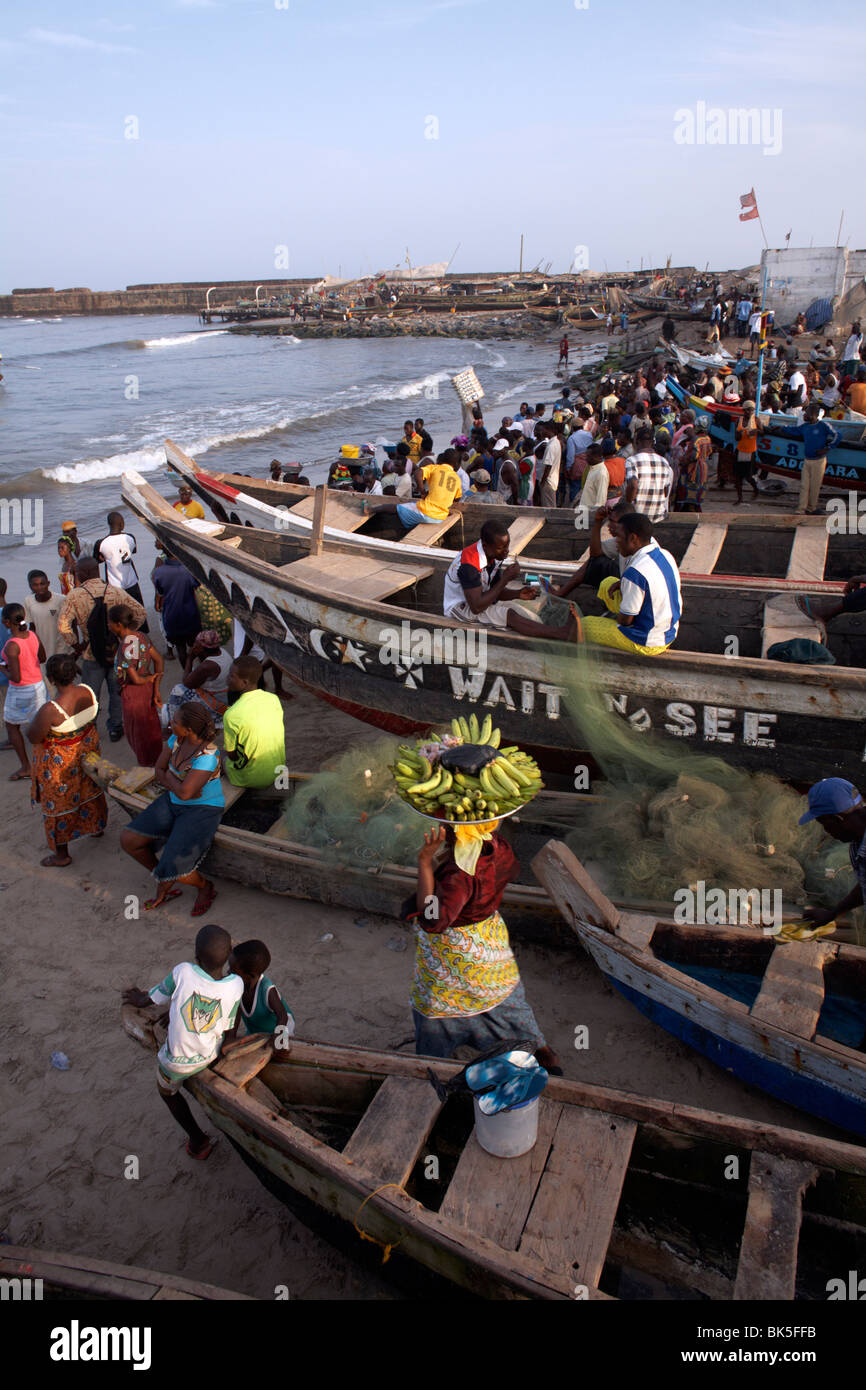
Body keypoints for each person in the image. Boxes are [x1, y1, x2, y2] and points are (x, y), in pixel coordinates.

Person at [409, 823, 560, 1071]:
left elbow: (432, 918)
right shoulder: (498, 846)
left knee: (438, 1012)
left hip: (455, 955)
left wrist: (425, 862)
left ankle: (432, 1069)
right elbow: (511, 872)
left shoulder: (459, 874)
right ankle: (542, 1055)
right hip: (489, 947)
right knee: (506, 1004)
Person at [121, 925, 243, 1159]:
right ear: (229, 954)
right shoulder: (235, 984)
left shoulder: (183, 971)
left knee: (167, 1093)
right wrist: (228, 1041)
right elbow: (230, 1019)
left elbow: (153, 998)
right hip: (211, 1054)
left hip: (176, 1064)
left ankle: (198, 1141)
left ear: (196, 956)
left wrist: (139, 998)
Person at [119, 701, 222, 915]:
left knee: (178, 869)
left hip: (202, 809)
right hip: (174, 801)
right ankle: (163, 876)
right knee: (129, 840)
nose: (170, 723)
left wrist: (173, 781)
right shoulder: (176, 739)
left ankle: (205, 887)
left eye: (175, 721)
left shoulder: (208, 756)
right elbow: (159, 770)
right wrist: (177, 784)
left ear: (189, 729)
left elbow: (182, 790)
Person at [25, 652, 108, 867]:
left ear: (51, 679)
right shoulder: (87, 692)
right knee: (90, 789)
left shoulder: (50, 710)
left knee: (59, 804)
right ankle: (96, 827)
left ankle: (62, 855)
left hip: (61, 766)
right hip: (88, 755)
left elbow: (34, 736)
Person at [58, 555, 146, 744]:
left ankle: (91, 730)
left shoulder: (74, 595)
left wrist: (76, 644)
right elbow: (140, 612)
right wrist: (127, 635)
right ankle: (115, 728)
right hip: (116, 651)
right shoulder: (114, 591)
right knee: (116, 692)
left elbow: (63, 625)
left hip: (91, 653)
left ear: (80, 573)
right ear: (97, 571)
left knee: (90, 695)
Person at [443, 520, 576, 640]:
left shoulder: (494, 555)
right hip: (460, 608)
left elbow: (496, 592)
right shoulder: (469, 565)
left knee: (528, 616)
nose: (506, 552)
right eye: (501, 548)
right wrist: (505, 579)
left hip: (481, 600)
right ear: (485, 545)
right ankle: (562, 634)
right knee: (510, 616)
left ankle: (554, 634)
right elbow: (476, 607)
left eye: (507, 546)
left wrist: (518, 594)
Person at [578, 512, 682, 655]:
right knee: (608, 583)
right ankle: (626, 610)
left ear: (633, 538)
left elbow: (625, 622)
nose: (616, 541)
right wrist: (623, 584)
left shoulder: (634, 573)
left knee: (584, 625)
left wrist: (621, 617)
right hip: (669, 630)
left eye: (619, 537)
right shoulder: (664, 554)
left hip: (648, 641)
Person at [797, 780, 866, 933]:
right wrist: (833, 914)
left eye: (824, 824)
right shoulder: (858, 841)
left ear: (839, 818)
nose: (827, 831)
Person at [109, 604, 164, 765]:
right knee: (152, 731)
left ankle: (149, 770)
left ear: (119, 624)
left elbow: (136, 679)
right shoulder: (141, 637)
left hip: (133, 695)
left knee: (138, 736)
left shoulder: (124, 647)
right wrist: (155, 686)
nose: (108, 625)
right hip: (147, 691)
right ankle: (158, 766)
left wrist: (148, 679)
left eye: (110, 622)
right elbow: (159, 660)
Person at [221, 657, 286, 788]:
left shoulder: (232, 714)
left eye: (231, 676)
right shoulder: (273, 699)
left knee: (218, 754)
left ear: (244, 682)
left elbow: (232, 755)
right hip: (278, 770)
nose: (227, 678)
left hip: (250, 778)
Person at [1, 604, 47, 780]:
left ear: (6, 622)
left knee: (12, 725)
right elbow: (42, 658)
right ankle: (46, 763)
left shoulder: (11, 645)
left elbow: (16, 677)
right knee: (41, 726)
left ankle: (26, 767)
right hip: (37, 685)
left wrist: (1, 668)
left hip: (21, 690)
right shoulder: (32, 635)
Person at [224, 939, 294, 1047]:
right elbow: (235, 1017)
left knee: (280, 1050)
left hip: (281, 1027)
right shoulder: (237, 988)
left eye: (233, 971)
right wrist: (229, 1039)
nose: (228, 972)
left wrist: (277, 1038)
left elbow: (282, 1016)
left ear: (250, 976)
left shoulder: (267, 990)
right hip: (256, 1031)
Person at [773, 403, 839, 515]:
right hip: (807, 460)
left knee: (815, 486)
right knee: (804, 485)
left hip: (819, 461)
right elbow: (793, 430)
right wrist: (780, 427)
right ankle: (801, 509)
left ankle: (811, 508)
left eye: (806, 413)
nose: (804, 415)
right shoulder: (805, 427)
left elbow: (838, 435)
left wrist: (828, 448)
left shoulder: (823, 426)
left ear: (813, 414)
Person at [164, 629, 232, 728]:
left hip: (218, 704)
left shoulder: (208, 666)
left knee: (178, 690)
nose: (193, 645)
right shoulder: (222, 652)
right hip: (226, 696)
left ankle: (173, 723)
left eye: (196, 644)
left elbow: (186, 683)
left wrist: (190, 657)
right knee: (194, 674)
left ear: (202, 648)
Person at [151, 553, 200, 667]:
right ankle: (199, 674)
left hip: (171, 615)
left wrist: (157, 602)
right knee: (197, 646)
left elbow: (160, 591)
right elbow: (197, 585)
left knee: (180, 648)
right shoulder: (188, 569)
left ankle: (187, 673)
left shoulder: (159, 572)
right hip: (190, 613)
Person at [95, 511, 146, 611]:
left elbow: (97, 560)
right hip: (132, 582)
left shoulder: (101, 544)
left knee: (119, 615)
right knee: (138, 613)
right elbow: (134, 550)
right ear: (122, 524)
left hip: (114, 586)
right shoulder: (130, 538)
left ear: (109, 524)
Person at [624, 426, 673, 521]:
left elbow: (633, 485)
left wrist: (628, 503)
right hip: (658, 515)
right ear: (652, 442)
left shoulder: (631, 461)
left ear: (637, 442)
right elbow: (665, 491)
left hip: (638, 516)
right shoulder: (664, 461)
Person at [24, 570, 64, 663]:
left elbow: (71, 625)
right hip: (42, 649)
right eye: (35, 585)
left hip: (60, 648)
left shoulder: (61, 600)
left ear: (48, 583)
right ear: (30, 586)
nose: (39, 587)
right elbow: (31, 626)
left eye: (42, 584)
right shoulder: (28, 601)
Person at [734, 403, 760, 505]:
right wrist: (740, 434)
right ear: (743, 410)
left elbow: (762, 431)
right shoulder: (739, 420)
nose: (749, 412)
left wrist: (755, 431)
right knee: (738, 477)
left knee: (749, 476)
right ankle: (740, 498)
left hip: (750, 451)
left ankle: (756, 490)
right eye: (747, 410)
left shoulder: (756, 420)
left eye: (751, 410)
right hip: (740, 450)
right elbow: (736, 438)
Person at [537, 424, 562, 508]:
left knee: (548, 506)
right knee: (550, 503)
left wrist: (542, 482)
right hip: (552, 479)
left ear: (548, 430)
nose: (541, 432)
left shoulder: (551, 446)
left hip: (548, 481)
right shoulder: (556, 442)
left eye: (543, 430)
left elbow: (548, 466)